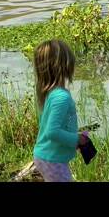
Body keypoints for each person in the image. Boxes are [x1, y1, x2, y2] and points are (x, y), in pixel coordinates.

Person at [32, 40, 88, 182]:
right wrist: (76, 139)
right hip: (52, 160)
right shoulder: (61, 97)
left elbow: (50, 127)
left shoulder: (49, 93)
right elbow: (52, 132)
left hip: (48, 156)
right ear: (64, 66)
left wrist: (72, 137)